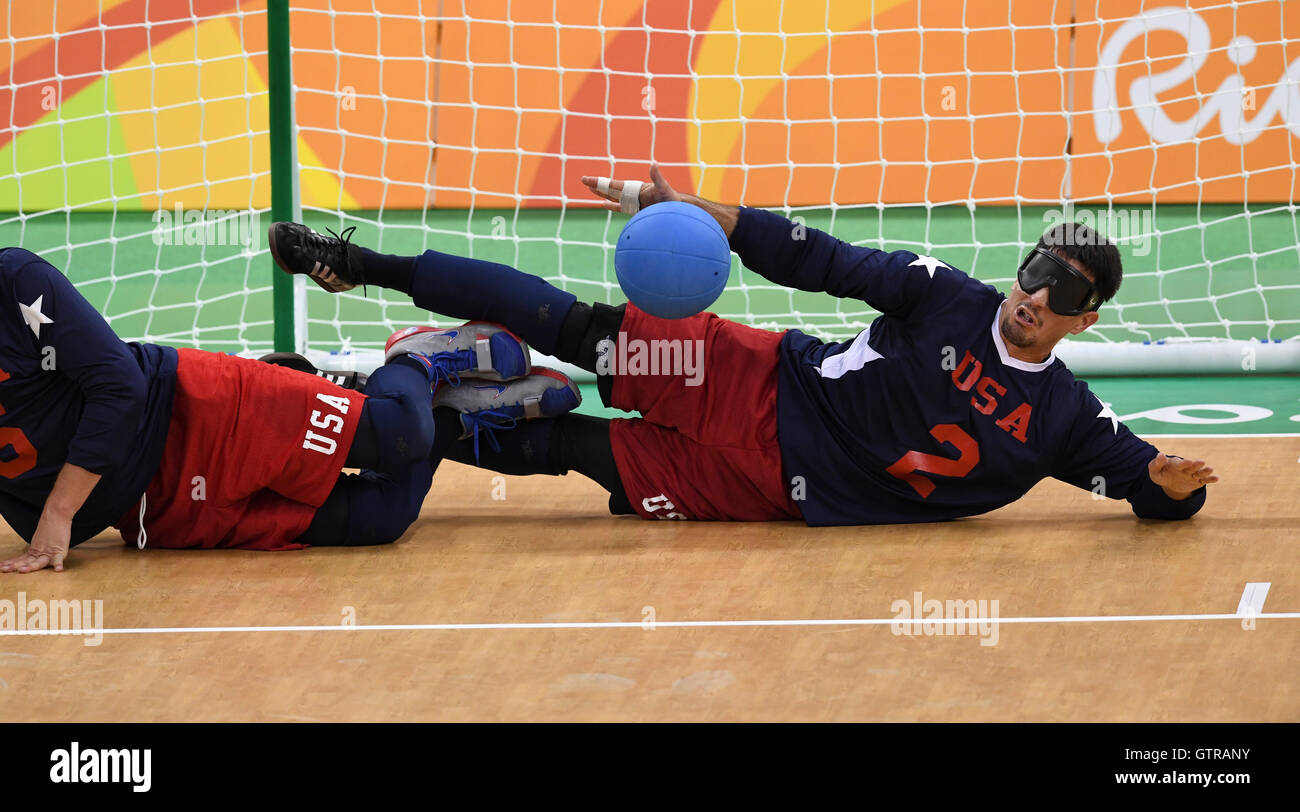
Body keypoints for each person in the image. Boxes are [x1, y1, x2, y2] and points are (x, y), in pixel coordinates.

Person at [265, 165, 1217, 526]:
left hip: (777, 494)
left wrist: (1172, 487)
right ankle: (364, 264)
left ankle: (349, 395)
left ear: (1086, 320)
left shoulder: (1066, 419)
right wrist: (683, 205)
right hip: (758, 389)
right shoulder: (949, 298)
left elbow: (1145, 488)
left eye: (1067, 294)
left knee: (575, 452)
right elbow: (817, 256)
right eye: (1038, 268)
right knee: (583, 334)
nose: (1038, 295)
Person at [0, 246, 579, 573]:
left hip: (188, 410)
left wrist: (57, 514)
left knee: (400, 434)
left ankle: (416, 360)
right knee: (385, 516)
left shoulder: (16, 282)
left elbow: (120, 386)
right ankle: (447, 407)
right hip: (154, 512)